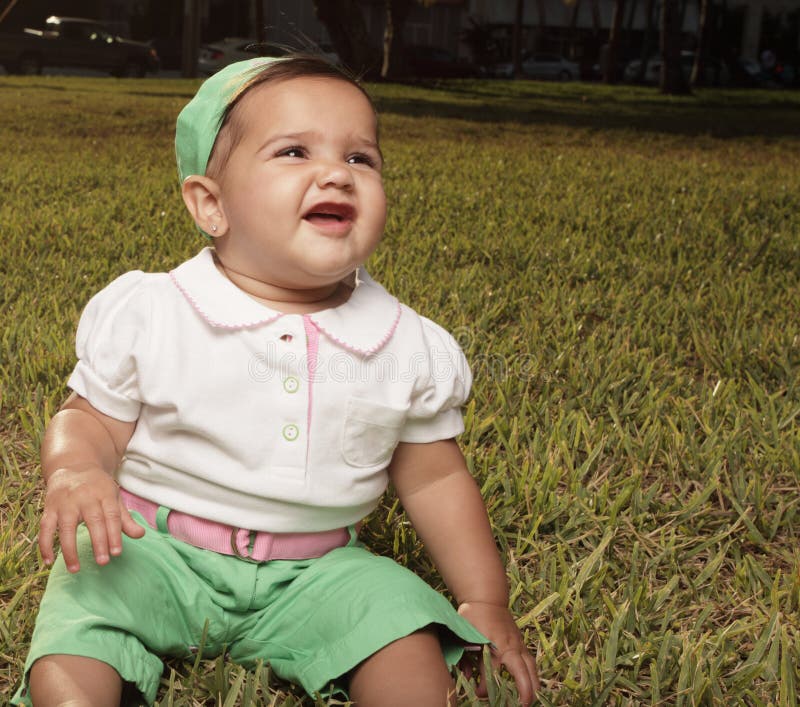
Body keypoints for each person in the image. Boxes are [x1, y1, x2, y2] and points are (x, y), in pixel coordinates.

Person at [14, 55, 540, 707]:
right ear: (211, 203)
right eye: (294, 151)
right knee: (83, 608)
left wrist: (484, 598)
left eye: (360, 159)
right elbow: (87, 418)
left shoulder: (405, 342)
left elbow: (435, 477)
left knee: (399, 620)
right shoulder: (157, 312)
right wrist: (74, 469)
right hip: (155, 550)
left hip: (317, 570)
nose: (335, 175)